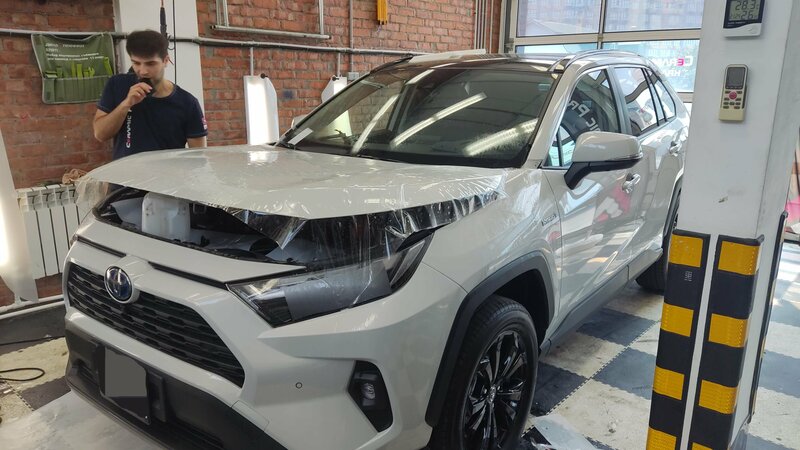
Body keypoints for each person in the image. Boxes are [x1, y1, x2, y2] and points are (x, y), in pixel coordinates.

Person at [93, 29, 207, 160]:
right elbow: (100, 134)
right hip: (125, 172)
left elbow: (198, 157)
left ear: (165, 61)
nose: (143, 71)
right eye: (136, 63)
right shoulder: (117, 84)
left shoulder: (188, 103)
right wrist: (126, 104)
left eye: (150, 64)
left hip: (166, 172)